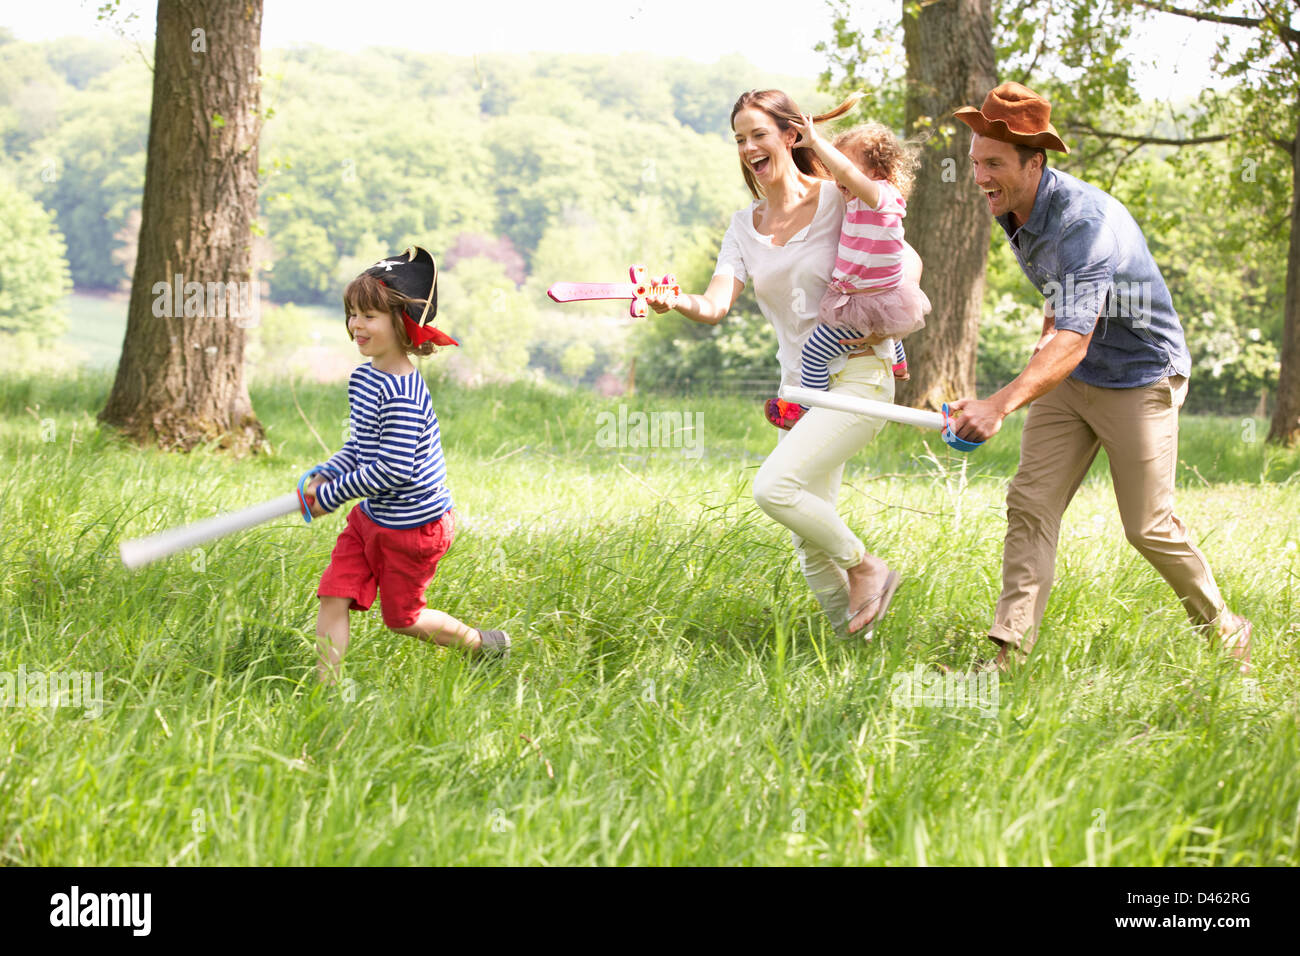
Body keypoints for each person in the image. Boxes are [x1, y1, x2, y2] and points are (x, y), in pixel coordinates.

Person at [946, 82, 1253, 672]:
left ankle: (1224, 626)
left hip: (1139, 375)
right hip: (1072, 374)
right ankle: (1006, 654)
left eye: (994, 164)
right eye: (975, 162)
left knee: (1147, 526)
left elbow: (1075, 337)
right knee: (1031, 503)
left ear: (1034, 164)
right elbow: (1060, 304)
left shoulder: (1086, 222)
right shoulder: (1014, 206)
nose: (980, 175)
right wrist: (1041, 346)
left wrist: (999, 404)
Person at [648, 89, 919, 637]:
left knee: (775, 489)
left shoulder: (837, 197)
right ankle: (854, 653)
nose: (748, 148)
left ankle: (868, 567)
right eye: (740, 139)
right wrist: (674, 299)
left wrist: (878, 319)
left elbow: (903, 256)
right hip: (800, 386)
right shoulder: (742, 226)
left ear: (791, 137)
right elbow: (715, 304)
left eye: (759, 135)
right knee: (807, 539)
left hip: (859, 376)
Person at [304, 247, 510, 682]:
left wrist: (332, 495)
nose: (356, 325)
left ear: (402, 324)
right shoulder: (365, 376)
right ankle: (325, 691)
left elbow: (392, 469)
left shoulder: (401, 392)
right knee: (333, 594)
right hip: (371, 518)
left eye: (369, 316)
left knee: (402, 619)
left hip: (414, 529)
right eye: (352, 313)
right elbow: (361, 446)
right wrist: (328, 472)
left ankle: (481, 644)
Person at [764, 114, 928, 431]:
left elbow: (846, 172)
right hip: (870, 294)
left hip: (865, 301)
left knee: (814, 352)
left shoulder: (882, 196)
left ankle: (808, 409)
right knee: (883, 310)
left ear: (877, 172)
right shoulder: (856, 199)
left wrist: (815, 141)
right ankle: (898, 361)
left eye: (844, 166)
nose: (837, 176)